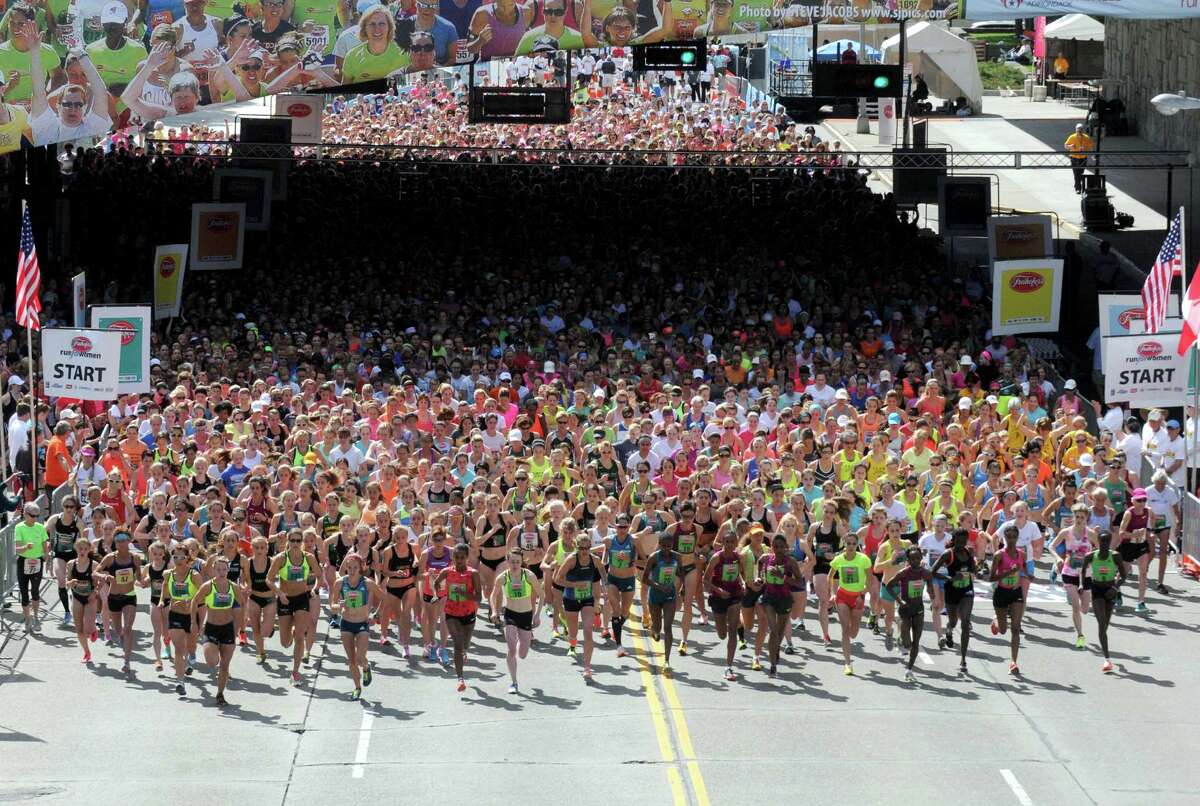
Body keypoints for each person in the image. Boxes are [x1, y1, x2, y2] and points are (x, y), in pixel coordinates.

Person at [192, 554, 246, 706]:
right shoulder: (208, 586)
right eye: (219, 569)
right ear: (214, 570)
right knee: (212, 662)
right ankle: (212, 659)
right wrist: (194, 622)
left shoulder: (233, 587)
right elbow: (195, 601)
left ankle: (220, 694)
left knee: (224, 665)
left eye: (224, 569)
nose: (222, 572)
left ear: (228, 570)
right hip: (211, 628)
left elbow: (242, 604)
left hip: (228, 629)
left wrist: (241, 625)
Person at [330, 552, 384, 699]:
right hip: (346, 623)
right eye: (349, 567)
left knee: (360, 659)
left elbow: (384, 599)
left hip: (362, 624)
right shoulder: (340, 583)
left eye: (355, 567)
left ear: (361, 567)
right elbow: (332, 605)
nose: (352, 570)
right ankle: (357, 687)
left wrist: (375, 614)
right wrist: (338, 606)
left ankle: (366, 667)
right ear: (346, 567)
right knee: (352, 660)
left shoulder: (367, 583)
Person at [269, 529, 320, 685]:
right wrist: (280, 593)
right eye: (293, 541)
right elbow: (269, 580)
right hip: (285, 600)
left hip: (301, 599)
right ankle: (291, 628)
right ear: (288, 542)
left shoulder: (309, 558)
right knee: (285, 642)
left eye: (299, 541)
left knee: (299, 637)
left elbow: (320, 576)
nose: (296, 544)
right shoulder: (281, 558)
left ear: (302, 542)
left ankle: (295, 672)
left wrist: (315, 590)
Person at [491, 548, 542, 693]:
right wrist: (495, 610)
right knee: (511, 649)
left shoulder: (529, 576)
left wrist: (537, 615)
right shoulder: (503, 577)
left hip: (526, 615)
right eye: (512, 562)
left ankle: (522, 640)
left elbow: (541, 595)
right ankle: (514, 682)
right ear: (507, 562)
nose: (515, 565)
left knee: (523, 654)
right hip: (510, 614)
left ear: (522, 562)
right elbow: (493, 595)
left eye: (517, 562)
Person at [434, 542, 481, 691]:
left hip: (468, 613)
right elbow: (436, 583)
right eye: (456, 557)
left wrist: (464, 594)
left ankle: (464, 653)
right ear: (452, 558)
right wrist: (440, 594)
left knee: (464, 645)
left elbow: (478, 597)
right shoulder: (447, 572)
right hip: (451, 612)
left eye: (462, 557)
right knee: (457, 643)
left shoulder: (473, 573)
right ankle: (460, 679)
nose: (459, 560)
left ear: (467, 558)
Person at [929, 528, 975, 674]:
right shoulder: (948, 554)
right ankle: (949, 629)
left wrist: (973, 570)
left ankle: (963, 659)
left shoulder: (969, 552)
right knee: (954, 621)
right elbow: (932, 572)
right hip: (951, 591)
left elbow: (974, 569)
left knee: (966, 622)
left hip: (967, 590)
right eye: (959, 540)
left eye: (964, 540)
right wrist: (950, 578)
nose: (962, 543)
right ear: (954, 540)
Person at [702, 528, 745, 681]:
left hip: (734, 595)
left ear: (736, 543)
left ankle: (729, 667)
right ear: (723, 542)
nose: (729, 545)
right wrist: (718, 590)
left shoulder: (739, 557)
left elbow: (742, 575)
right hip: (718, 596)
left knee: (732, 630)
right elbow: (705, 580)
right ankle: (724, 622)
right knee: (722, 634)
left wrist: (744, 584)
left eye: (732, 542)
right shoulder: (716, 558)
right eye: (726, 542)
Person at [96, 529, 141, 673]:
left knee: (128, 628)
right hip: (114, 597)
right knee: (118, 630)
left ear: (129, 541)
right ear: (115, 542)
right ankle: (123, 640)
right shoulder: (110, 558)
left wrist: (145, 580)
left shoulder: (135, 558)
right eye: (118, 540)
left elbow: (139, 576)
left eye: (124, 540)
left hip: (129, 596)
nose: (121, 543)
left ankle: (127, 662)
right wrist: (104, 577)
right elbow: (95, 571)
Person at [757, 533, 801, 679]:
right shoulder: (766, 559)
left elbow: (799, 582)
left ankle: (775, 650)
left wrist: (782, 576)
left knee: (780, 630)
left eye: (782, 547)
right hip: (769, 598)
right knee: (773, 631)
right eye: (776, 546)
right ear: (772, 547)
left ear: (786, 548)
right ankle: (773, 666)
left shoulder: (791, 562)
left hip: (785, 599)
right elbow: (759, 563)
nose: (779, 549)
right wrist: (760, 577)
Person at [161, 543, 201, 695]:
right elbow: (165, 590)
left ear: (187, 558)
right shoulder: (168, 574)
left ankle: (192, 657)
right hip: (175, 615)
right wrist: (161, 601)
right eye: (175, 556)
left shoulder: (194, 575)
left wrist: (188, 601)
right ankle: (180, 682)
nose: (178, 560)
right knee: (179, 649)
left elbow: (202, 594)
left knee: (190, 646)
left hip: (191, 616)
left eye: (181, 557)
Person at [1086, 531, 1127, 673]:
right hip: (1097, 589)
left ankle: (1104, 648)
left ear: (1109, 542)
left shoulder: (1115, 556)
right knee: (1101, 624)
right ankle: (1107, 659)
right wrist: (1081, 585)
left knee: (1105, 624)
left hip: (1110, 590)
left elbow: (1124, 575)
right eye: (1101, 541)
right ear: (1097, 541)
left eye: (1106, 542)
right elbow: (1082, 571)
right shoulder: (1091, 556)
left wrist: (1115, 588)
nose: (1103, 544)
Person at [990, 525, 1027, 676]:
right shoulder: (999, 555)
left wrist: (1028, 576)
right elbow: (991, 578)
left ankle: (1013, 662)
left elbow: (1022, 569)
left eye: (1014, 537)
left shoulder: (1022, 554)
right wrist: (1007, 574)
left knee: (1016, 628)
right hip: (1001, 592)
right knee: (1004, 630)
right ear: (1004, 538)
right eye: (1008, 537)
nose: (1011, 540)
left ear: (1017, 537)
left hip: (1016, 592)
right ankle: (996, 621)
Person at [642, 531, 681, 672]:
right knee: (657, 627)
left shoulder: (677, 557)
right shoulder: (654, 557)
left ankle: (667, 661)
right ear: (659, 545)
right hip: (655, 596)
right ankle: (654, 630)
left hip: (670, 595)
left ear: (672, 545)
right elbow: (644, 578)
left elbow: (680, 575)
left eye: (669, 546)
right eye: (663, 546)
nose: (666, 549)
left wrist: (678, 591)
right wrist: (658, 586)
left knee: (668, 627)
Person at [14, 502, 50, 633]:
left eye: (37, 516)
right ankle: (27, 620)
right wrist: (25, 547)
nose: (35, 518)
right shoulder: (19, 527)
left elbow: (44, 542)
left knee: (35, 591)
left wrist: (46, 554)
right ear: (25, 514)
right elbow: (17, 548)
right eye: (32, 515)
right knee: (24, 593)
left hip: (37, 561)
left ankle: (36, 618)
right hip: (23, 561)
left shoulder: (40, 527)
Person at [65, 535, 99, 663]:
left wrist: (95, 592)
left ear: (89, 550)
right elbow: (66, 582)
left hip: (90, 597)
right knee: (79, 629)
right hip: (77, 596)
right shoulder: (71, 564)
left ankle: (93, 629)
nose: (82, 551)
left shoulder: (94, 565)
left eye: (85, 549)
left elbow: (99, 583)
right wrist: (71, 583)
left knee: (88, 629)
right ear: (76, 549)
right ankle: (86, 652)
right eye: (80, 549)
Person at [1065, 123, 1094, 194]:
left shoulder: (1086, 138)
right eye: (1078, 130)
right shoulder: (1072, 137)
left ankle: (1078, 186)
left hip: (1083, 158)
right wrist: (1070, 146)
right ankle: (1078, 188)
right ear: (1075, 130)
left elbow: (1091, 147)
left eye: (1080, 130)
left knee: (1081, 173)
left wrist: (1093, 156)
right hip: (1074, 157)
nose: (1079, 132)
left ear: (1082, 130)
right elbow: (1065, 145)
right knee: (1076, 173)